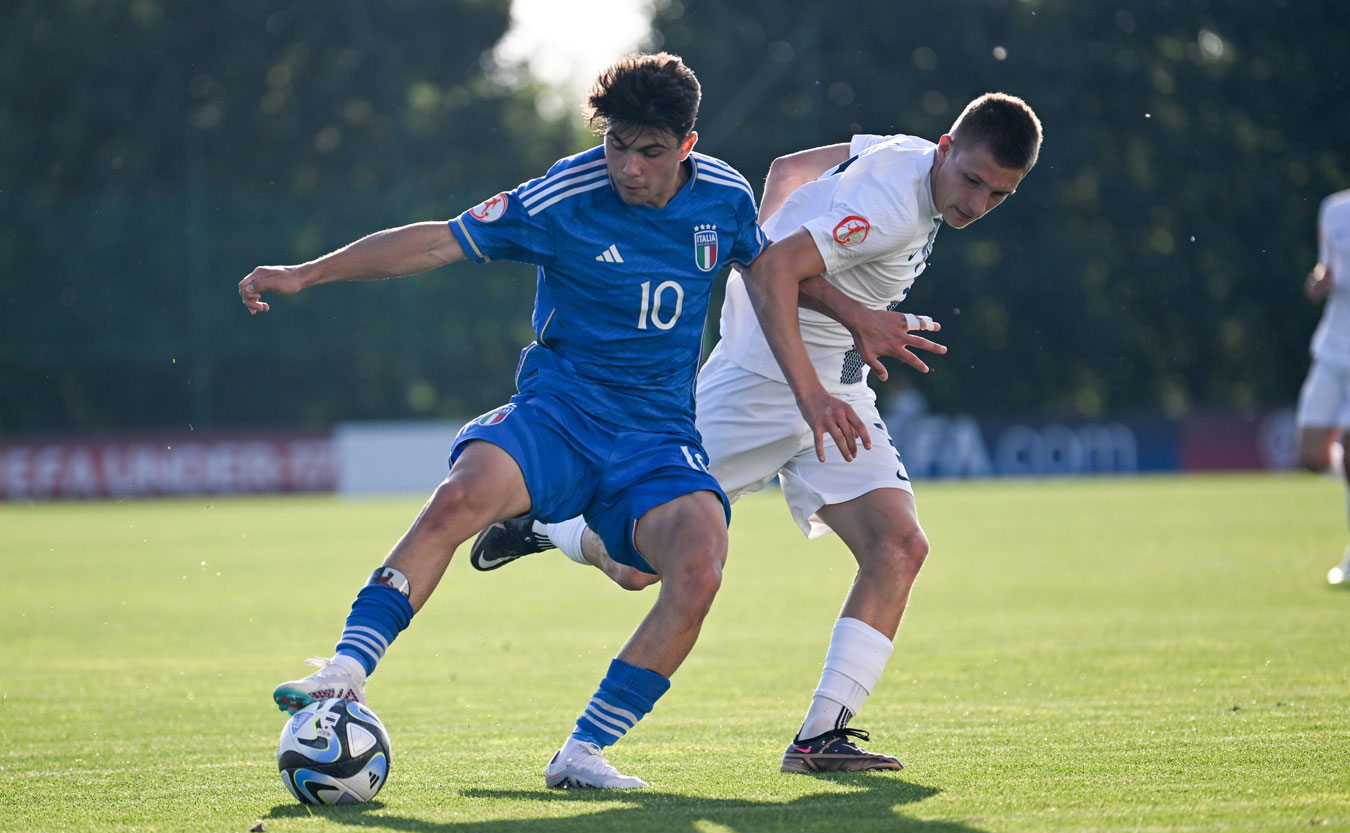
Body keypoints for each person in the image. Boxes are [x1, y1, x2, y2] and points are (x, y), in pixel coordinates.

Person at [233, 53, 840, 790]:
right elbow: (438, 240)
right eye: (616, 145)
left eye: (650, 152)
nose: (628, 167)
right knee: (459, 498)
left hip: (659, 434)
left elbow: (769, 271)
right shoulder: (566, 195)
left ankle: (581, 751)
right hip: (562, 410)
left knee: (692, 569)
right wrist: (306, 273)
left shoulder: (725, 196)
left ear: (687, 144)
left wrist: (840, 347)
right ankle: (345, 669)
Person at [471, 93, 1043, 773]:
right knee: (637, 566)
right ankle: (548, 523)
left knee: (899, 545)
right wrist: (816, 353)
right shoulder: (890, 205)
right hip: (763, 384)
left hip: (834, 389)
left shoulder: (907, 151)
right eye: (972, 180)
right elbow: (775, 267)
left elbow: (787, 169)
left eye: (998, 194)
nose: (976, 203)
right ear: (947, 149)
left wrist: (768, 252)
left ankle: (820, 737)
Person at [1294, 189, 1350, 585]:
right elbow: (1324, 267)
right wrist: (1319, 281)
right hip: (1332, 350)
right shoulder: (1333, 209)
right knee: (1309, 454)